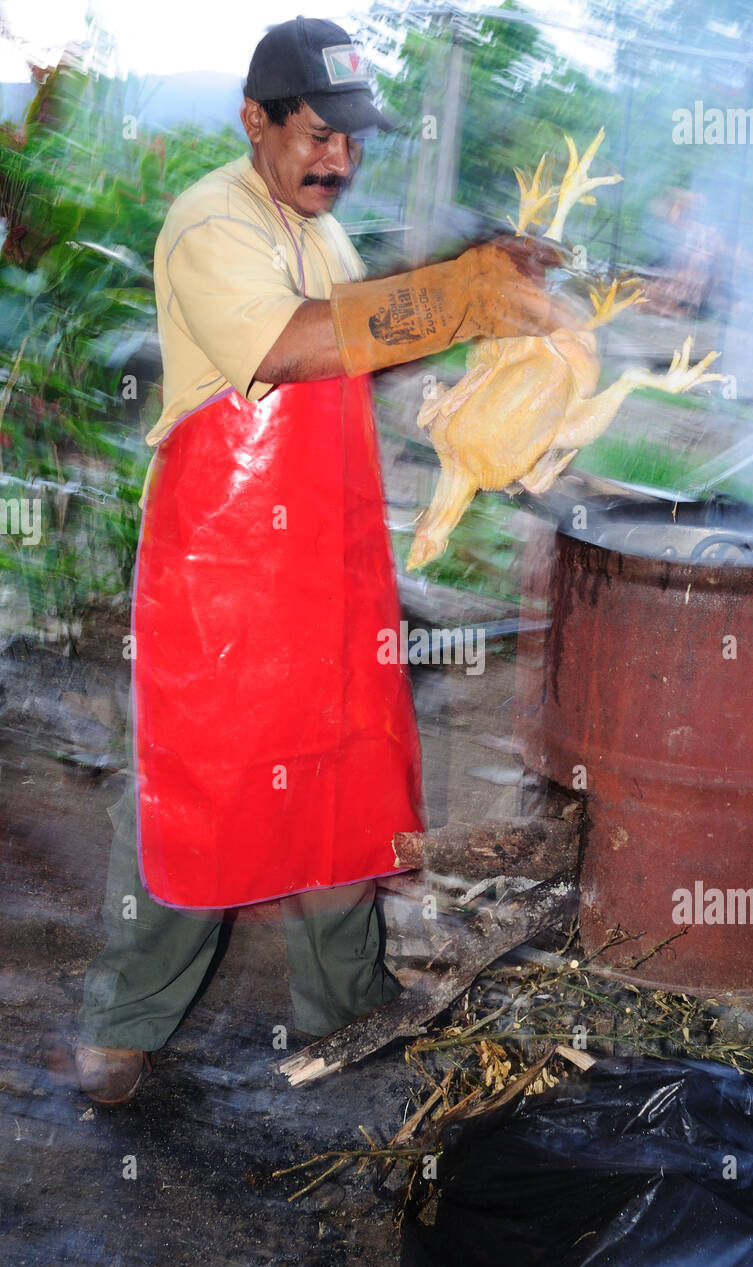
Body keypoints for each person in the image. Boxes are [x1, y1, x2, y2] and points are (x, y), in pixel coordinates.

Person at [75, 15, 574, 1104]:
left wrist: (467, 321)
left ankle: (344, 1008)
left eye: (351, 140)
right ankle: (121, 1028)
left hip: (323, 575)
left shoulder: (321, 231)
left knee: (339, 782)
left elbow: (354, 339)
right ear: (253, 120)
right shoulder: (212, 221)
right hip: (224, 579)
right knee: (197, 800)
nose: (337, 159)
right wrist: (452, 295)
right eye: (314, 135)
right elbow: (293, 344)